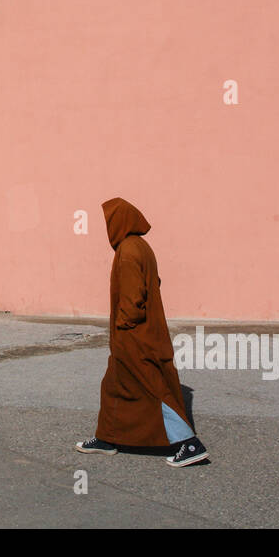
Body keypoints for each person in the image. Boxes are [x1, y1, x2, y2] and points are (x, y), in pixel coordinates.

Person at [76, 197, 209, 467]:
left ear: (119, 221)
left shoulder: (127, 250)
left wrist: (125, 326)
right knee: (115, 387)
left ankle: (188, 443)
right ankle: (107, 438)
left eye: (109, 221)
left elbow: (133, 297)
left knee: (154, 388)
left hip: (135, 336)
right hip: (136, 335)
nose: (107, 227)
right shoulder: (141, 247)